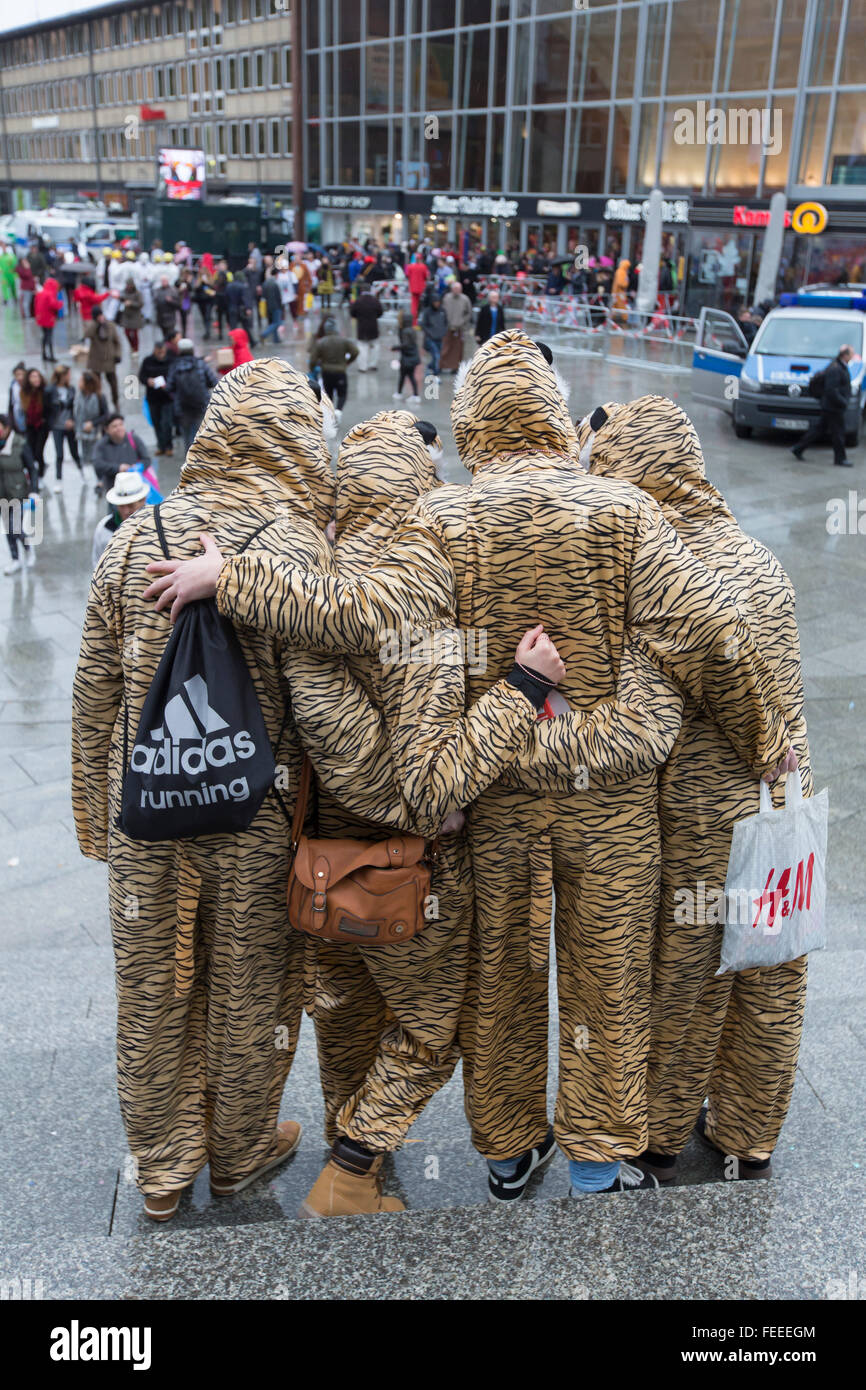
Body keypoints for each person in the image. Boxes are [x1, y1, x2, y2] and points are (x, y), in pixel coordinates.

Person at [145, 331, 796, 1203]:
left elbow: (354, 612)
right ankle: (598, 1162)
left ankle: (506, 1150)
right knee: (608, 981)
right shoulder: (623, 512)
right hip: (613, 816)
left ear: (473, 423)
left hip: (495, 803)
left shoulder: (440, 519)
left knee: (505, 983)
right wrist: (766, 738)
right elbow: (714, 636)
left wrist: (235, 576)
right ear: (554, 416)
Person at [71, 358, 454, 1223]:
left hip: (150, 813)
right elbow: (319, 707)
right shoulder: (294, 547)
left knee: (152, 990)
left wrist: (95, 818)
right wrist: (398, 803)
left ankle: (163, 1171)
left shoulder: (137, 536)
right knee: (253, 988)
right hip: (257, 816)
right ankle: (239, 1151)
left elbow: (93, 690)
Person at [297, 411, 565, 1217]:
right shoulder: (422, 593)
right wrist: (522, 689)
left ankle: (356, 1167)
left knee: (343, 1019)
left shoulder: (313, 589)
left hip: (318, 861)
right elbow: (435, 785)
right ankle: (350, 1170)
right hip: (406, 866)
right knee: (428, 1031)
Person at [577, 395, 812, 1184]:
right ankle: (750, 1132)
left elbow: (708, 670)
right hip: (788, 805)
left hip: (710, 809)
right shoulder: (755, 554)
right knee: (772, 970)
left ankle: (665, 1131)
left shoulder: (667, 565)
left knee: (689, 970)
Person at [791, 344, 856, 468]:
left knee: (818, 430)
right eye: (851, 353)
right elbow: (831, 390)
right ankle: (840, 459)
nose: (853, 356)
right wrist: (843, 402)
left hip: (831, 406)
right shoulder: (836, 368)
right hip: (833, 407)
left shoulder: (839, 366)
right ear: (845, 355)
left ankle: (798, 448)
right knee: (838, 433)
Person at [91, 465, 150, 568]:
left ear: (143, 500)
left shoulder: (158, 523)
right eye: (121, 505)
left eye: (131, 505)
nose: (126, 511)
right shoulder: (104, 528)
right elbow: (97, 563)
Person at [166, 338, 218, 450]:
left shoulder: (175, 366)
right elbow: (213, 381)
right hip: (202, 405)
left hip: (182, 407)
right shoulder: (200, 364)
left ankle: (189, 461)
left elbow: (169, 387)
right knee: (202, 435)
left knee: (187, 437)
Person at [0, 413, 36, 574]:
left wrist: (34, 490)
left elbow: (32, 468)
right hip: (2, 494)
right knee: (8, 528)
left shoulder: (20, 444)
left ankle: (28, 548)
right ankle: (15, 558)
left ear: (7, 428)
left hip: (18, 493)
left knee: (16, 526)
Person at [308, 317, 358, 417]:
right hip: (340, 372)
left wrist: (312, 368)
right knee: (342, 394)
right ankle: (339, 411)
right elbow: (355, 351)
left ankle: (330, 414)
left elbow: (313, 359)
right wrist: (347, 362)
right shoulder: (343, 341)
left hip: (326, 372)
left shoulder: (321, 342)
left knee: (329, 394)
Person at [93, 413, 151, 497]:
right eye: (114, 426)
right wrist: (118, 468)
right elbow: (97, 464)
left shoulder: (134, 439)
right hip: (115, 491)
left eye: (121, 424)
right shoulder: (101, 445)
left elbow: (147, 459)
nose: (119, 428)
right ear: (107, 429)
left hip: (136, 489)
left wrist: (137, 467)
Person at [45, 364, 82, 491]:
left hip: (69, 425)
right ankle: (58, 479)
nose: (70, 377)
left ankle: (81, 472)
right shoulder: (50, 390)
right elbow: (47, 408)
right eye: (68, 374)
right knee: (59, 454)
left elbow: (73, 408)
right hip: (57, 426)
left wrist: (72, 420)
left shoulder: (71, 389)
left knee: (74, 452)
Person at [138, 340, 174, 456]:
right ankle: (161, 445)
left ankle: (168, 446)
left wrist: (168, 384)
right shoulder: (147, 361)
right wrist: (148, 380)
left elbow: (175, 376)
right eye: (158, 353)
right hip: (153, 398)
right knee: (156, 422)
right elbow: (141, 376)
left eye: (162, 353)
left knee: (167, 423)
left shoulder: (171, 361)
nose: (160, 355)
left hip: (167, 397)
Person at [83, 307, 122, 409]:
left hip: (109, 358)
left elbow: (117, 342)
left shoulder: (110, 325)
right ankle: (99, 403)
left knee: (113, 383)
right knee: (96, 384)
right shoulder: (93, 326)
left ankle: (115, 401)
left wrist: (118, 355)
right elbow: (86, 334)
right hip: (96, 360)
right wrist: (95, 324)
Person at [74, 370, 110, 475]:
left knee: (97, 456)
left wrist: (93, 423)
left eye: (81, 380)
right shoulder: (78, 396)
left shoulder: (99, 397)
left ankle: (100, 479)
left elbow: (106, 415)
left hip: (96, 433)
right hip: (82, 432)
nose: (79, 383)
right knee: (86, 456)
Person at [21, 368, 49, 485]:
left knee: (38, 452)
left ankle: (41, 474)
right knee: (30, 451)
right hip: (30, 426)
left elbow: (49, 409)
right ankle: (33, 474)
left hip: (42, 426)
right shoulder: (25, 393)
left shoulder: (44, 392)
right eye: (33, 376)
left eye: (37, 376)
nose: (36, 379)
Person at [441, 280, 472, 373]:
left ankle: (455, 367)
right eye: (455, 288)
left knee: (458, 349)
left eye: (459, 289)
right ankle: (442, 365)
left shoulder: (465, 299)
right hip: (447, 327)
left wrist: (463, 322)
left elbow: (468, 313)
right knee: (445, 347)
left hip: (460, 328)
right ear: (452, 289)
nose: (457, 290)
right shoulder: (446, 298)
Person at [349, 288, 384, 372]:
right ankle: (373, 364)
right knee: (375, 346)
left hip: (361, 327)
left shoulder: (358, 301)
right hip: (373, 327)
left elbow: (352, 313)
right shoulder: (375, 300)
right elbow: (380, 312)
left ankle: (362, 367)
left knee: (362, 347)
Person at [391, 311, 420, 403]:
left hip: (407, 358)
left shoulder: (405, 331)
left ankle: (408, 394)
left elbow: (406, 344)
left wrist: (395, 347)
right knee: (407, 376)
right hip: (413, 356)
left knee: (405, 376)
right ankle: (405, 394)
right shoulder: (412, 330)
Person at [34, 275, 64, 363]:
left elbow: (35, 305)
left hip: (41, 318)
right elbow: (53, 305)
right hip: (48, 318)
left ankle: (43, 354)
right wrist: (60, 304)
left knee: (44, 336)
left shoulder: (41, 293)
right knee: (49, 337)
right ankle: (51, 355)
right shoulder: (50, 294)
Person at [419, 293, 447, 377]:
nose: (437, 304)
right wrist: (430, 333)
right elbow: (423, 325)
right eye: (435, 302)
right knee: (436, 356)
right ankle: (435, 374)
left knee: (437, 356)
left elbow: (446, 323)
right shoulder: (427, 312)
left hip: (440, 338)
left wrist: (443, 332)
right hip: (430, 339)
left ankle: (429, 368)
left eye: (438, 302)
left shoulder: (442, 311)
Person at [119, 277, 144, 356]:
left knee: (135, 334)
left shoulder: (138, 293)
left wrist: (131, 303)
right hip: (127, 315)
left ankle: (136, 348)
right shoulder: (124, 292)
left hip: (135, 315)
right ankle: (132, 346)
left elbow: (141, 303)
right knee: (126, 332)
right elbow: (121, 298)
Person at [259, 269, 284, 343]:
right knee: (276, 323)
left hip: (268, 306)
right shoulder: (275, 284)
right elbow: (278, 297)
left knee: (274, 322)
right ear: (276, 275)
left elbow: (263, 296)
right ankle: (264, 334)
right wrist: (281, 307)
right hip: (276, 306)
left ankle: (276, 339)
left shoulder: (265, 283)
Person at [192, 268, 216, 340]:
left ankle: (207, 331)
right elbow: (195, 290)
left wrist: (207, 283)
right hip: (201, 301)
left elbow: (213, 289)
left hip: (209, 301)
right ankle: (206, 329)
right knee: (203, 316)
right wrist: (200, 283)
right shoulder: (198, 280)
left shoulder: (210, 280)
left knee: (207, 316)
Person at [405, 256, 429, 324]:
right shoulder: (423, 266)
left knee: (414, 306)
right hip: (421, 288)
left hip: (413, 288)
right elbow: (426, 276)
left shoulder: (410, 266)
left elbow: (407, 275)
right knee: (421, 305)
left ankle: (414, 322)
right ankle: (421, 321)